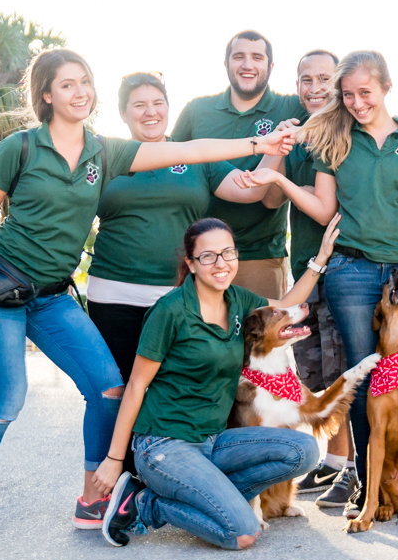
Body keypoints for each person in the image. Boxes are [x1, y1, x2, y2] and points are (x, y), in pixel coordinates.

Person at [0, 49, 298, 547]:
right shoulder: (19, 148)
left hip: (51, 296)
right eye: (67, 84)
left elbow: (191, 151)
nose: (80, 92)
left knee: (109, 388)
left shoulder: (104, 152)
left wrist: (258, 143)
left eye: (85, 81)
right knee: (6, 399)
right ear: (46, 95)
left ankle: (94, 497)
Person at [236, 50, 398, 519]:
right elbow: (326, 209)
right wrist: (282, 184)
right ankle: (370, 486)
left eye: (365, 92)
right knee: (366, 378)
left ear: (386, 87)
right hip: (353, 271)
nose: (357, 103)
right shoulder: (335, 139)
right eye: (348, 95)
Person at [92, 215, 343, 550]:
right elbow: (136, 386)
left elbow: (286, 307)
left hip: (214, 441)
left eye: (228, 253)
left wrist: (320, 258)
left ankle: (215, 495)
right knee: (241, 533)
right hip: (165, 445)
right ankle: (144, 503)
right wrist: (113, 460)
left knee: (304, 451)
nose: (221, 264)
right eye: (208, 256)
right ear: (191, 264)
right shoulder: (170, 311)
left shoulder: (237, 301)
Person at [86, 71, 284, 385]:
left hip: (180, 298)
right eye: (139, 105)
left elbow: (251, 190)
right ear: (122, 113)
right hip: (113, 297)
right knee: (115, 392)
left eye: (158, 103)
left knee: (177, 390)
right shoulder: (103, 156)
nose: (150, 112)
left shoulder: (195, 155)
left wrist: (277, 146)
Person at [261, 50, 356, 507]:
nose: (315, 88)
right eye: (306, 79)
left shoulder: (345, 129)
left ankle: (355, 468)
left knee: (341, 372)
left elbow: (324, 207)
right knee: (315, 372)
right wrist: (277, 154)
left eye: (324, 79)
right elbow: (267, 200)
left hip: (342, 266)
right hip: (306, 268)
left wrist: (287, 187)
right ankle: (335, 461)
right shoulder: (298, 136)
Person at [170, 30, 304, 299]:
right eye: (239, 56)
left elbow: (337, 112)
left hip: (259, 255)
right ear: (226, 63)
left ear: (271, 66)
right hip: (201, 255)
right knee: (200, 326)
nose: (247, 65)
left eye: (257, 57)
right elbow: (170, 164)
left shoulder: (291, 107)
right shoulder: (197, 110)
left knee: (257, 326)